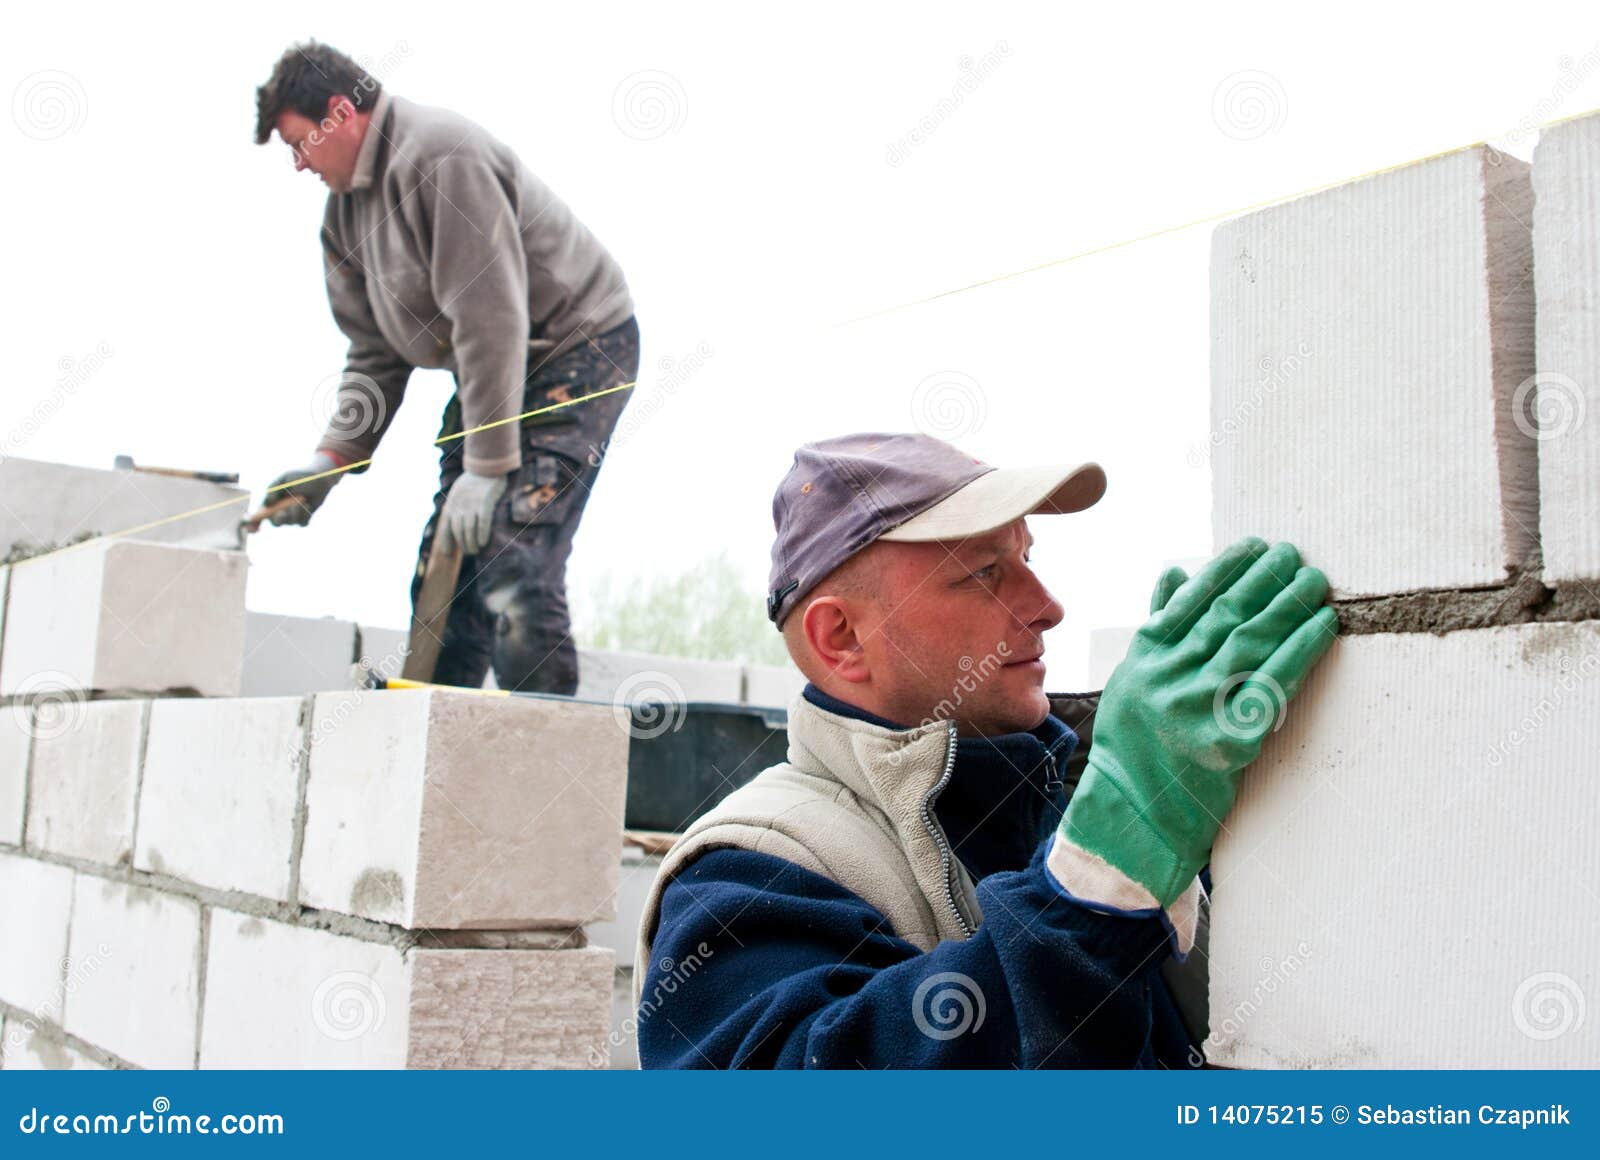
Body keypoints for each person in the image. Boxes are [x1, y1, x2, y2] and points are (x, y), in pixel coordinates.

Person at [633, 432, 1339, 1068]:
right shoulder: (749, 871)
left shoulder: (1072, 797)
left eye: (1027, 558)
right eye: (982, 573)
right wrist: (1097, 885)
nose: (1047, 604)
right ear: (841, 639)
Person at [253, 41, 637, 693]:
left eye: (299, 144)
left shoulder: (439, 158)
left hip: (577, 351)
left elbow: (492, 315)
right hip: (489, 369)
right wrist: (331, 461)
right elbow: (374, 353)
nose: (297, 165)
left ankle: (547, 763)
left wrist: (487, 470)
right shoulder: (343, 219)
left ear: (340, 113)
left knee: (513, 561)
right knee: (447, 569)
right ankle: (436, 748)